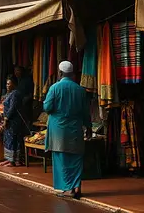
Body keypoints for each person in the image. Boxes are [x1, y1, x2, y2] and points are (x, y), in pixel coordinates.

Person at [43, 60, 91, 199]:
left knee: (62, 159)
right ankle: (76, 186)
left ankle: (68, 189)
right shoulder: (80, 90)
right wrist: (88, 127)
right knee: (76, 158)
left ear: (60, 73)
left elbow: (47, 107)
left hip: (59, 130)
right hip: (75, 129)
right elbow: (85, 112)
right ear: (73, 74)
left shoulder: (55, 88)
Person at [1, 76, 27, 167]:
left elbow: (12, 108)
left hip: (14, 121)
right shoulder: (10, 94)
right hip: (10, 120)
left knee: (14, 140)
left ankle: (13, 161)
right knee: (8, 140)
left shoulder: (15, 94)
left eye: (9, 83)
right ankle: (8, 159)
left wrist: (6, 118)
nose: (7, 85)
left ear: (14, 84)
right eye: (7, 84)